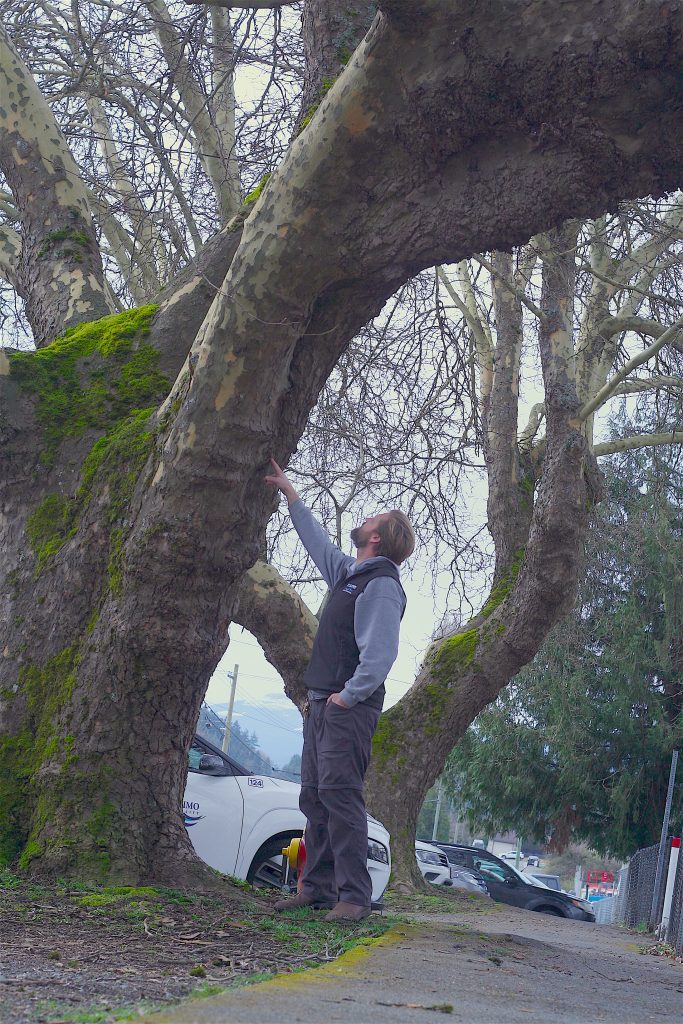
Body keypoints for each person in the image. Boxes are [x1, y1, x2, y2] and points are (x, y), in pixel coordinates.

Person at [264, 459, 415, 921]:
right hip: (322, 704)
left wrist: (348, 696)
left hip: (348, 708)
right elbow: (318, 544)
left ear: (378, 537)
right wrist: (292, 497)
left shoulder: (382, 585)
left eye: (373, 518)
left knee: (341, 796)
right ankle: (317, 887)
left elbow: (380, 655)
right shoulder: (351, 575)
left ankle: (354, 898)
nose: (365, 519)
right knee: (315, 796)